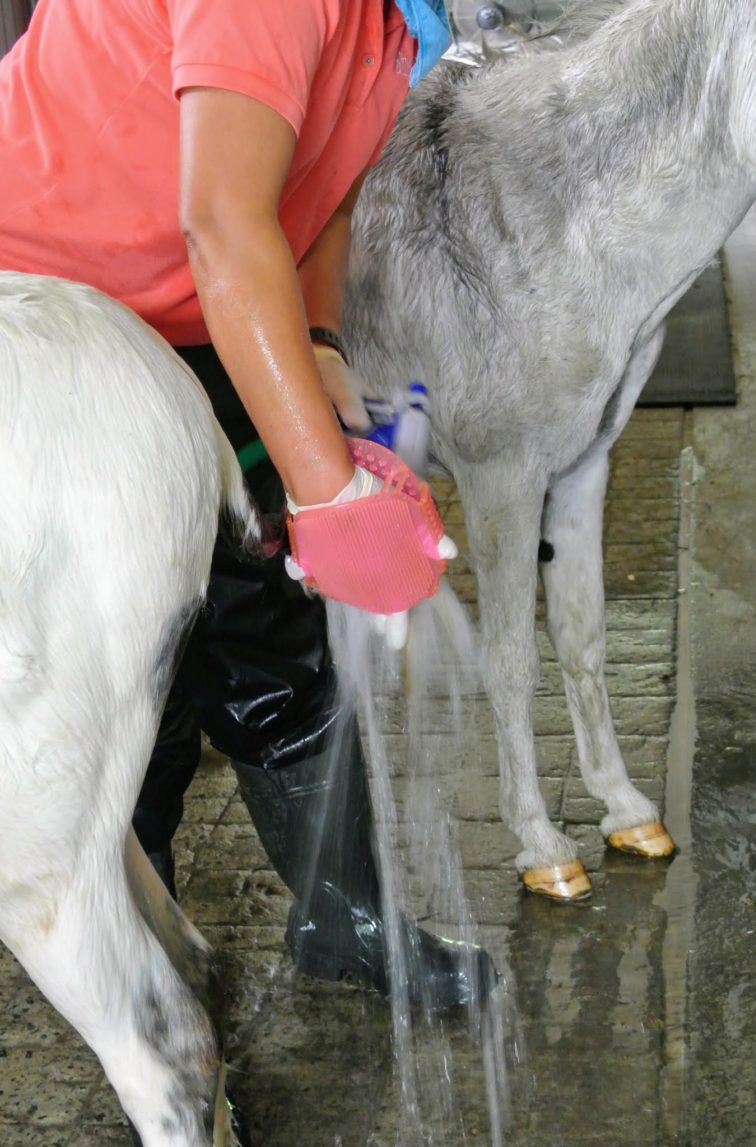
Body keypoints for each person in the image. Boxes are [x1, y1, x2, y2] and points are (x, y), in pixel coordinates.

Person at [0, 0, 493, 1008]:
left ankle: (344, 916)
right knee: (131, 664)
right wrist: (336, 493)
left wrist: (313, 345)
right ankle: (145, 977)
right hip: (45, 309)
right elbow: (224, 221)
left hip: (201, 307)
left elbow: (317, 192)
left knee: (272, 613)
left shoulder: (405, 21)